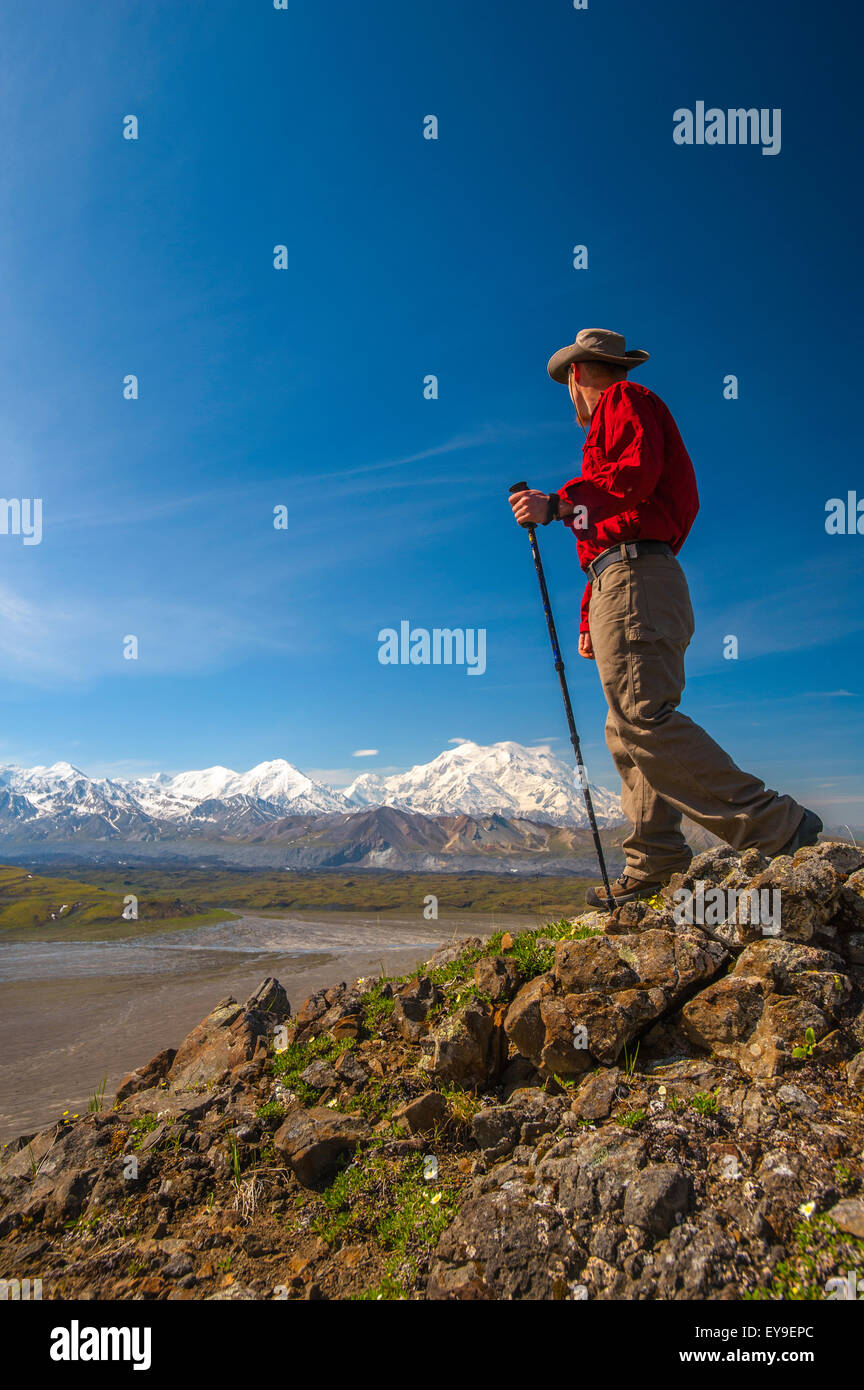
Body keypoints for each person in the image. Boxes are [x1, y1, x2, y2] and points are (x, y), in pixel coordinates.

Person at [509, 327, 822, 906]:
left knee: (643, 717)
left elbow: (631, 479)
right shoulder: (620, 413)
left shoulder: (625, 400)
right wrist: (589, 611)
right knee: (625, 726)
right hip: (626, 578)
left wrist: (556, 504)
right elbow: (614, 524)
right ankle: (654, 859)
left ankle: (775, 825)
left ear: (576, 374)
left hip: (636, 579)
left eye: (567, 385)